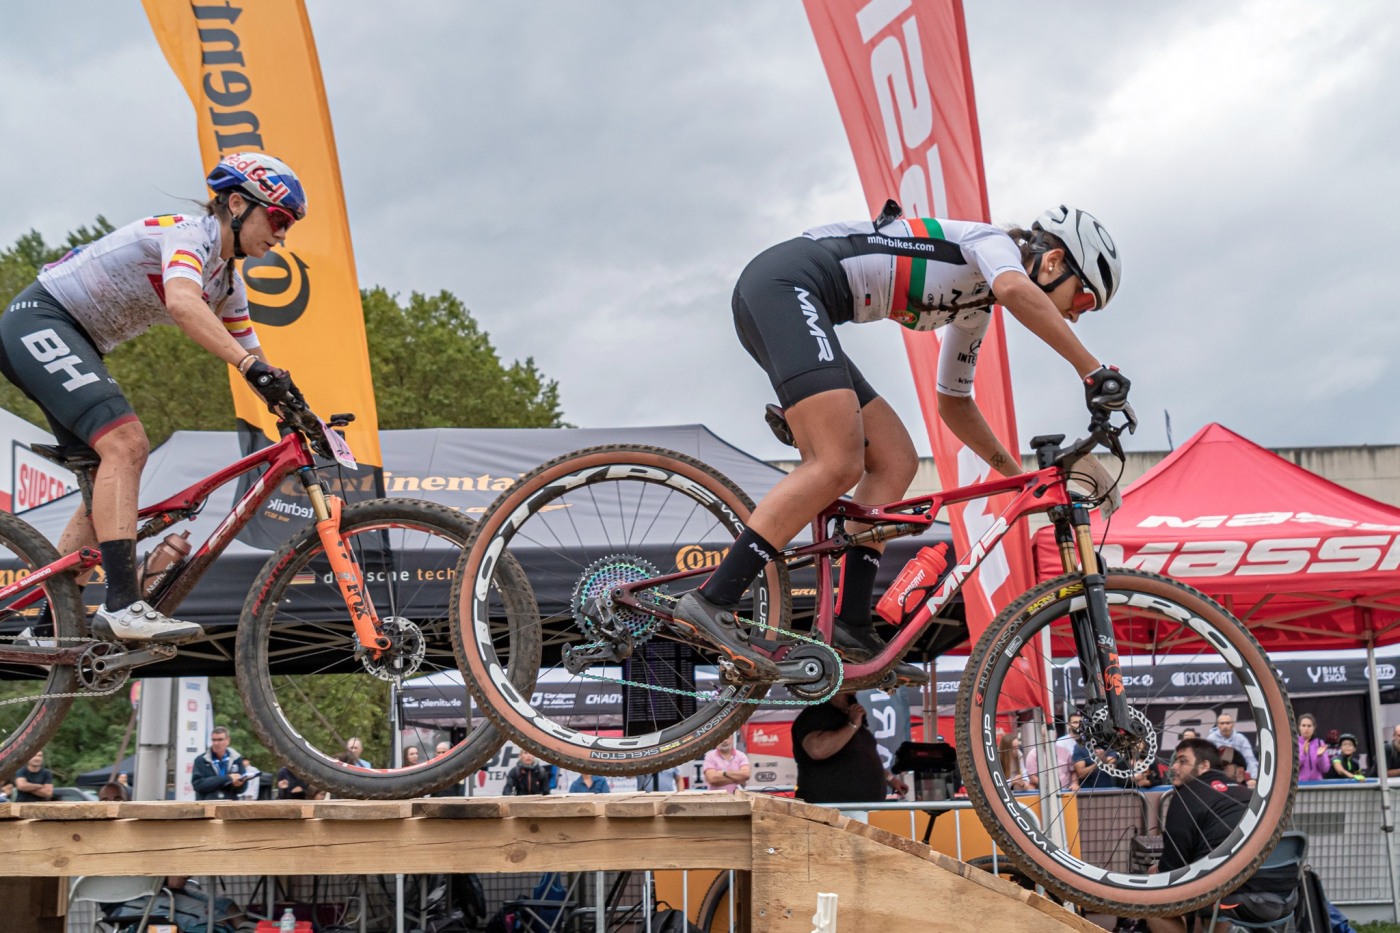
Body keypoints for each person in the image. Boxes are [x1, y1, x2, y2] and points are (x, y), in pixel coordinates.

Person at [669, 202, 1126, 680]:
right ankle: (713, 598)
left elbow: (955, 404)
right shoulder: (991, 246)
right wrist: (1093, 372)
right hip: (784, 286)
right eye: (1085, 300)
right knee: (838, 462)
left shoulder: (976, 306)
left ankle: (850, 626)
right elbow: (1015, 289)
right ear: (1053, 261)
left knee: (895, 460)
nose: (1076, 317)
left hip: (795, 299)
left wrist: (1019, 478)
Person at [0, 152, 307, 644]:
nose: (282, 234)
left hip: (73, 338)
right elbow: (183, 304)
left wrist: (298, 409)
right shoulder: (190, 235)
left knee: (106, 480)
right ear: (235, 204)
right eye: (277, 218)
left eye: (288, 224)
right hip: (42, 319)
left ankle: (46, 628)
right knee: (127, 444)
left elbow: (258, 362)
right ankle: (122, 605)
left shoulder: (227, 282)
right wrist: (250, 367)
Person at [1146, 739, 1297, 933]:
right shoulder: (1249, 793)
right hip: (1287, 897)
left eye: (1182, 761)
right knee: (1217, 888)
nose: (1173, 766)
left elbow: (1172, 868)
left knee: (1152, 891)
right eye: (1174, 760)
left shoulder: (1186, 795)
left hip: (1234, 899)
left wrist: (1155, 873)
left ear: (1204, 766)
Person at [791, 693, 908, 817]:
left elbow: (859, 757)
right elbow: (817, 750)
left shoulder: (849, 719)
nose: (853, 694)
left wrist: (890, 779)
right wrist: (853, 724)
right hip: (833, 808)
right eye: (847, 691)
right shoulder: (815, 715)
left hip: (860, 808)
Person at [191, 726, 253, 800]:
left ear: (228, 740)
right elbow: (198, 785)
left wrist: (238, 785)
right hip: (208, 805)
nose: (216, 743)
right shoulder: (201, 760)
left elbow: (242, 789)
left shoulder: (236, 759)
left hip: (230, 806)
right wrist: (227, 778)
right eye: (214, 740)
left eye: (220, 740)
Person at [1206, 713, 1258, 779]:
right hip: (1218, 774)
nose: (1225, 726)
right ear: (1218, 725)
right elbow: (1208, 760)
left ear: (1233, 724)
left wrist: (1254, 777)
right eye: (1222, 723)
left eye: (1228, 723)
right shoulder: (1211, 739)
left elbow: (1250, 759)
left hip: (1238, 775)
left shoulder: (1241, 738)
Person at [1297, 713, 1332, 782]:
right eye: (1303, 725)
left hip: (1317, 785)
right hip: (1299, 785)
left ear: (1314, 728)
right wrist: (1303, 754)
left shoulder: (1319, 743)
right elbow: (1292, 769)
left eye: (1309, 726)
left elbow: (1325, 769)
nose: (1306, 728)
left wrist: (1320, 756)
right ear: (1299, 727)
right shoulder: (1294, 744)